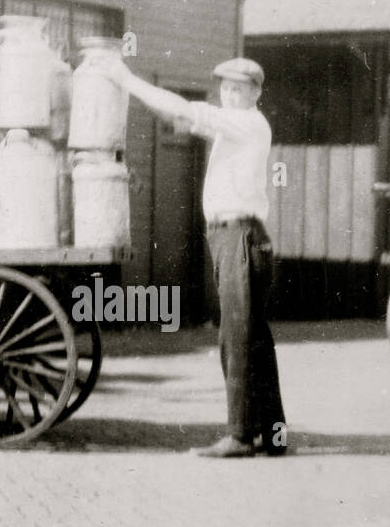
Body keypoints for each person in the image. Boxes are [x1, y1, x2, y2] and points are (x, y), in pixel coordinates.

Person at [98, 54, 287, 458]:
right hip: (236, 236)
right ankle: (271, 433)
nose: (230, 94)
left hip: (239, 235)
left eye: (239, 87)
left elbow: (184, 109)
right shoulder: (235, 129)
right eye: (225, 87)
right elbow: (183, 119)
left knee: (235, 338)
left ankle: (239, 436)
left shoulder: (247, 122)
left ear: (256, 93)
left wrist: (125, 79)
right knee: (252, 337)